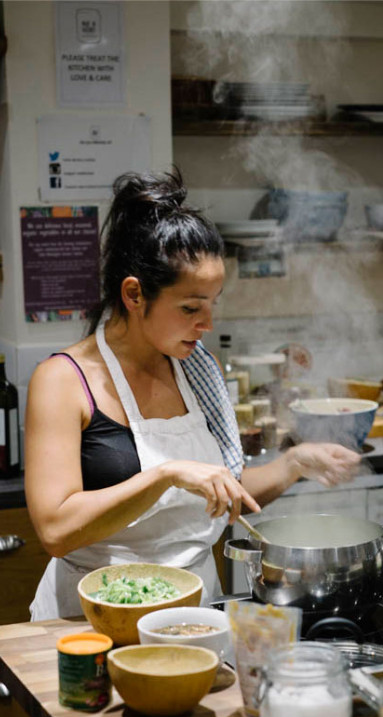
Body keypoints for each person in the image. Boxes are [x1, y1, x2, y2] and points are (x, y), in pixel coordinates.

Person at [25, 169, 361, 621]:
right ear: (134, 294)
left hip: (196, 615)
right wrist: (165, 475)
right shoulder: (63, 380)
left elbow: (220, 493)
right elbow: (55, 529)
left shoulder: (197, 369)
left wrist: (295, 463)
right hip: (93, 618)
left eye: (212, 303)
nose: (207, 324)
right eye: (190, 307)